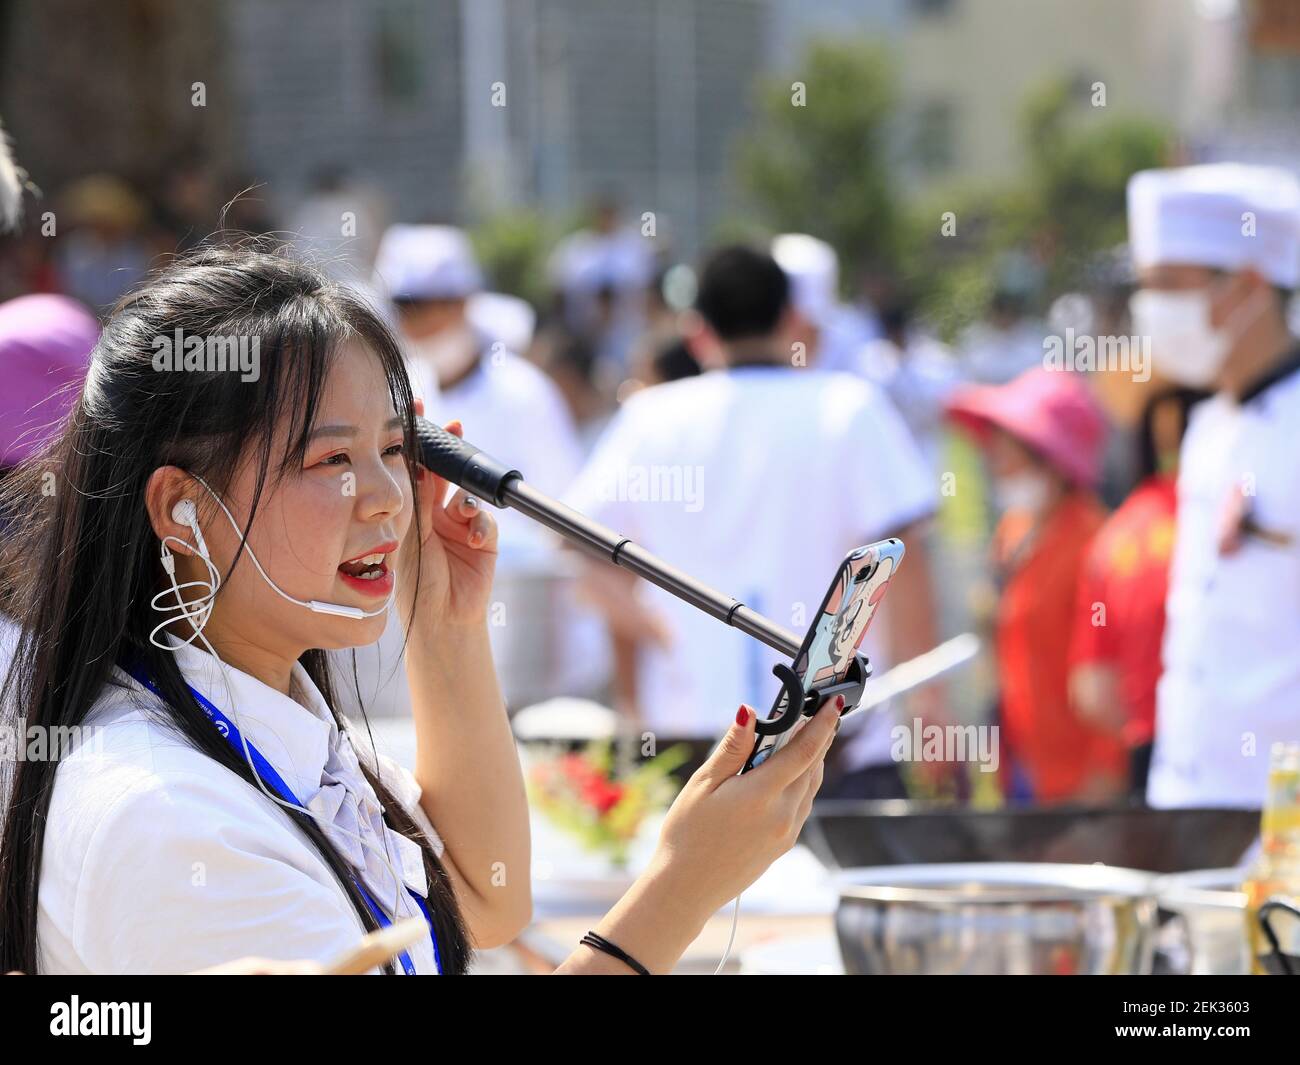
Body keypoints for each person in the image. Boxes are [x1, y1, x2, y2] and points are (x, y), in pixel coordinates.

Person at [0, 242, 835, 975]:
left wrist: (446, 621)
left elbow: (481, 898)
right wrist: (682, 887)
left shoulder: (264, 720)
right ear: (182, 507)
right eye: (330, 458)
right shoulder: (171, 821)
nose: (387, 499)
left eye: (394, 450)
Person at [564, 245, 941, 797]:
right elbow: (903, 563)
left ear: (698, 331)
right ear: (791, 319)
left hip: (693, 743)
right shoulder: (848, 408)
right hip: (839, 740)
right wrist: (928, 710)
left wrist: (660, 628)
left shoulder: (651, 418)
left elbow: (575, 553)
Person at [1125, 163, 1300, 809]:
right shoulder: (1205, 428)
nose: (1152, 309)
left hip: (1283, 829)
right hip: (1188, 806)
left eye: (1170, 286)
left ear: (1250, 286)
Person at [947, 368, 1128, 803]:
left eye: (1007, 452)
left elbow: (1112, 672)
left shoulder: (1096, 544)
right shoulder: (1015, 532)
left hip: (1081, 784)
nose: (996, 465)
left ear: (1050, 459)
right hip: (1023, 769)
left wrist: (1104, 782)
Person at [1069, 386, 1204, 798]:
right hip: (1246, 752)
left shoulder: (1114, 534)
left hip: (1153, 763)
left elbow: (1092, 690)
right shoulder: (1234, 517)